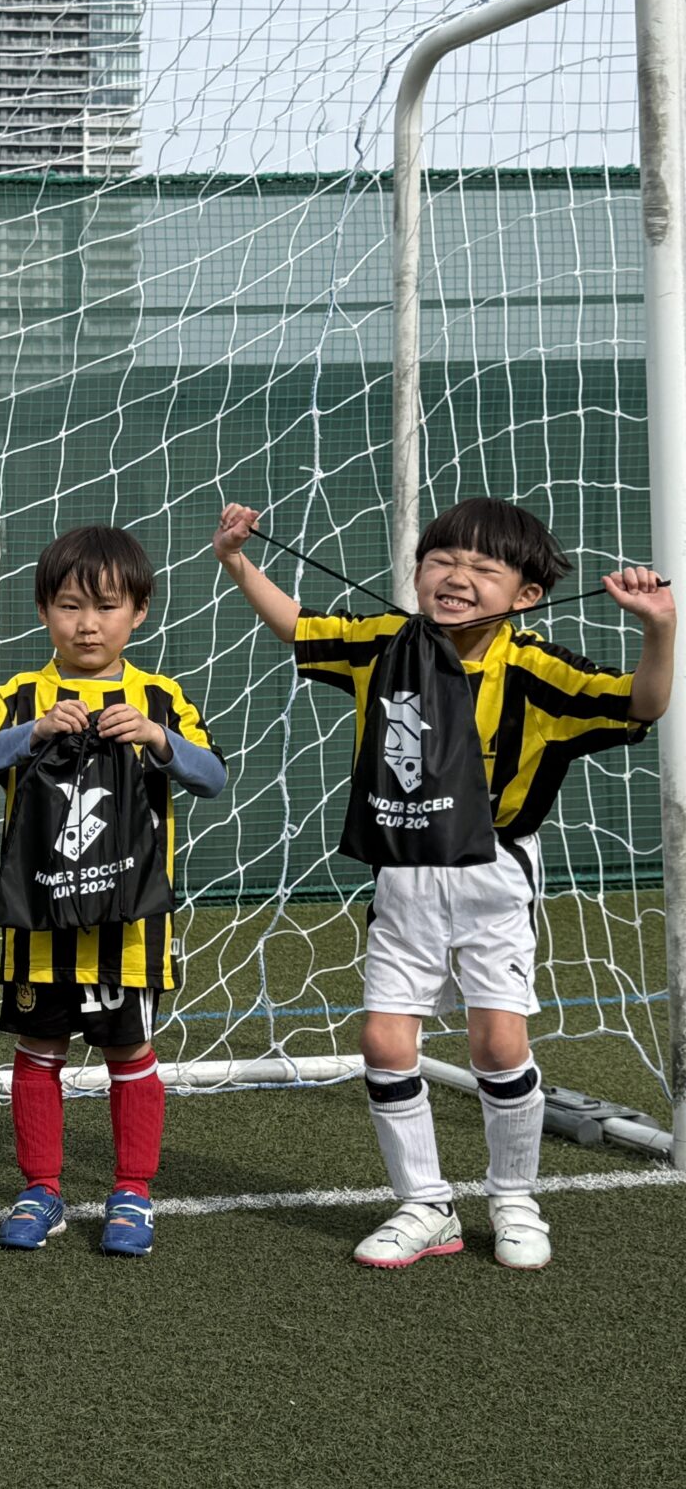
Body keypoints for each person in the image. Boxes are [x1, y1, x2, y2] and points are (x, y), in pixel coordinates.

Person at [215, 497, 672, 1269]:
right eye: (441, 560)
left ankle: (515, 1199)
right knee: (383, 1041)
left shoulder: (538, 669)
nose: (456, 576)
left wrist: (658, 627)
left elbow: (642, 703)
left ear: (526, 595)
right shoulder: (383, 643)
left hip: (496, 875)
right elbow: (298, 625)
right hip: (405, 872)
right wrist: (236, 560)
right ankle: (425, 1205)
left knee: (498, 1044)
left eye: (483, 568)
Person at [0, 525, 225, 1257]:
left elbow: (212, 777)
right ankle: (41, 1190)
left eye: (106, 606)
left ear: (139, 612)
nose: (87, 624)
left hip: (128, 928)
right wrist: (33, 734)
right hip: (39, 919)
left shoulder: (160, 696)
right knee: (38, 1049)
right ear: (44, 610)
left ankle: (132, 1193)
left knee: (129, 1051)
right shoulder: (21, 695)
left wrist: (160, 741)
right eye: (70, 605)